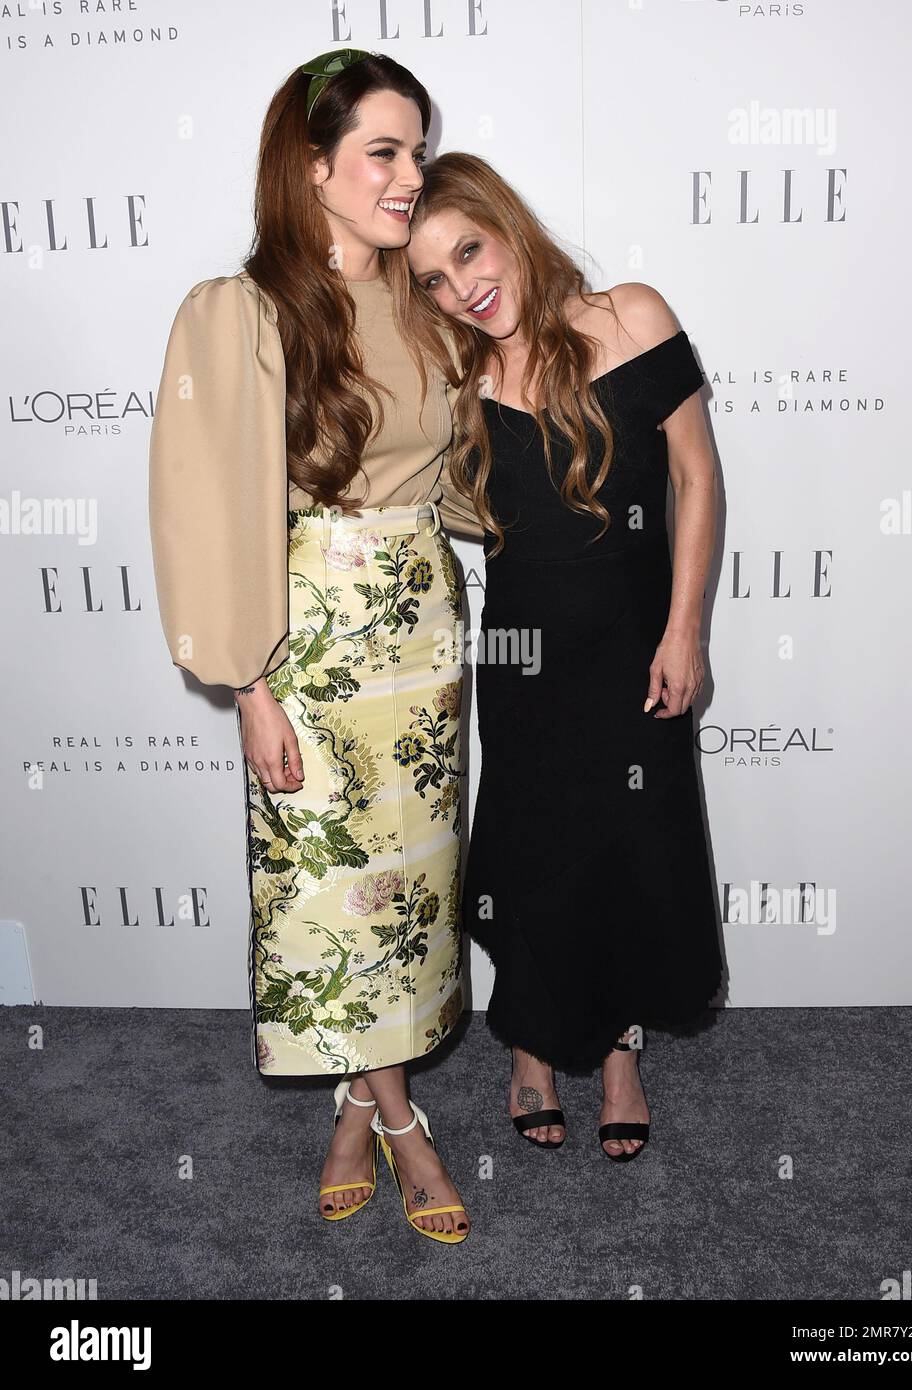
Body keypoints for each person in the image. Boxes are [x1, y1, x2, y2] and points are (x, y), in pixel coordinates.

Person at [148, 51, 485, 1242]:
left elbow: (456, 477)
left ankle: (354, 1101)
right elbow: (209, 503)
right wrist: (248, 684)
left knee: (407, 892)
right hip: (311, 643)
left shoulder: (424, 301)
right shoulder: (241, 313)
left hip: (424, 635)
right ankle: (400, 1125)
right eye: (383, 152)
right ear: (311, 167)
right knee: (329, 892)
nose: (410, 177)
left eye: (416, 150)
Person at [405, 152, 725, 1162]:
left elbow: (698, 477)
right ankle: (532, 1047)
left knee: (632, 845)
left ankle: (620, 1053)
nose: (464, 287)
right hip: (522, 656)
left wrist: (685, 631)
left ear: (506, 225)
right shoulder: (459, 381)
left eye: (469, 250)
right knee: (535, 847)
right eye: (434, 280)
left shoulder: (630, 315)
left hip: (635, 648)